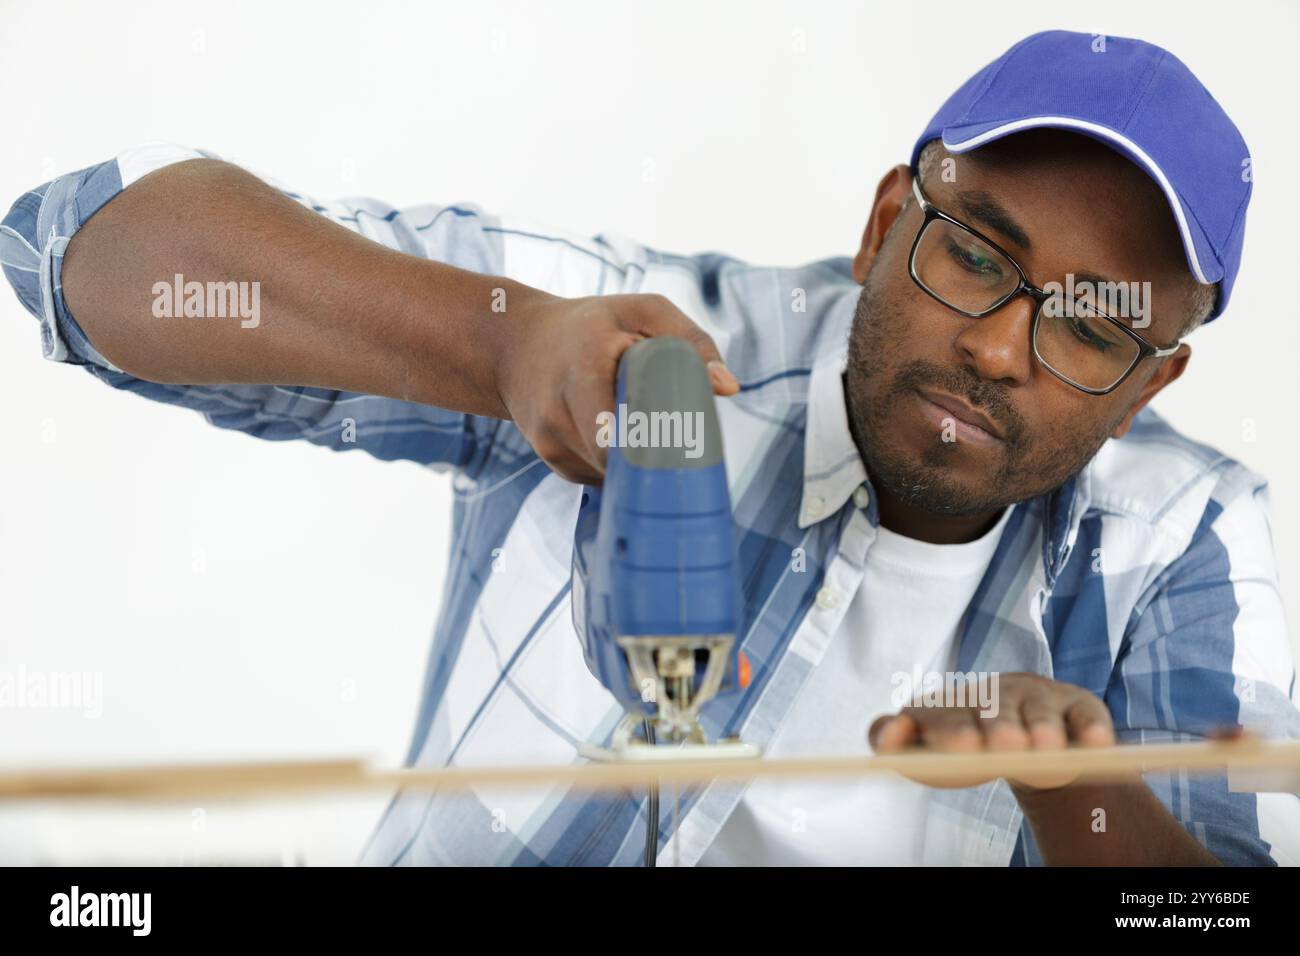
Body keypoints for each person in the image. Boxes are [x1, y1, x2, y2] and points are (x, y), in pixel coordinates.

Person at [3, 30, 1297, 865]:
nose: (1004, 350)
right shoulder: (650, 350)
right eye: (975, 253)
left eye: (1092, 328)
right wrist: (495, 345)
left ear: (1147, 387)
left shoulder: (1181, 541)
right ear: (885, 221)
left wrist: (1079, 790)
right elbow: (75, 248)